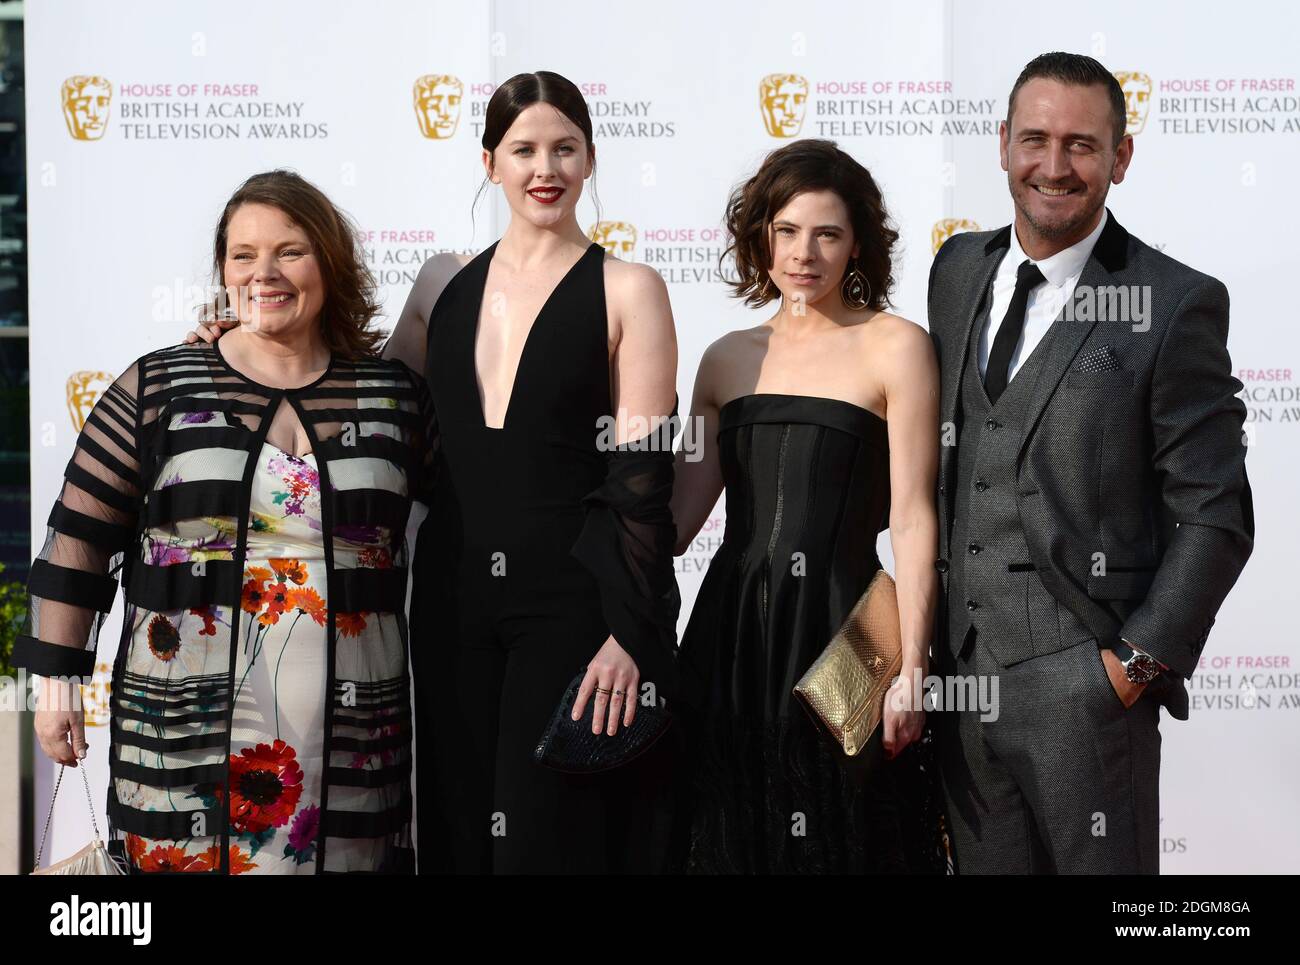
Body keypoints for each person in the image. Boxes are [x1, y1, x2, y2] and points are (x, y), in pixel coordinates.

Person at [190, 71, 681, 874]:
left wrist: (629, 630)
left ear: (591, 159)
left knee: (542, 838)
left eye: (564, 148)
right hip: (449, 597)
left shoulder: (631, 289)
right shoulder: (442, 282)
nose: (543, 168)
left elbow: (641, 483)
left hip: (570, 604)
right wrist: (244, 344)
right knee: (455, 827)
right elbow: (361, 408)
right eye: (523, 149)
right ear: (490, 163)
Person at [21, 170, 436, 874]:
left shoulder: (393, 397)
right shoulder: (158, 388)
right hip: (182, 742)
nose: (264, 272)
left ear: (329, 264)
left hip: (354, 744)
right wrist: (56, 687)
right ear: (222, 269)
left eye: (289, 251)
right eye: (243, 254)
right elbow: (78, 543)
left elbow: (467, 520)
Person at [928, 52, 1254, 874]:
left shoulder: (1172, 300)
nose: (1054, 165)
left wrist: (1132, 667)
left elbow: (1217, 512)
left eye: (1082, 145)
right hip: (961, 687)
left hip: (1087, 692)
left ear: (1121, 157)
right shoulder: (956, 270)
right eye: (1035, 138)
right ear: (1001, 144)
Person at [669, 139, 949, 873]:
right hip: (732, 638)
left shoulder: (897, 346)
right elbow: (674, 524)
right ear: (759, 234)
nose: (804, 253)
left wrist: (914, 666)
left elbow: (916, 517)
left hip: (844, 637)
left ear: (857, 243)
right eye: (786, 230)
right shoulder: (726, 357)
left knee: (842, 840)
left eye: (827, 233)